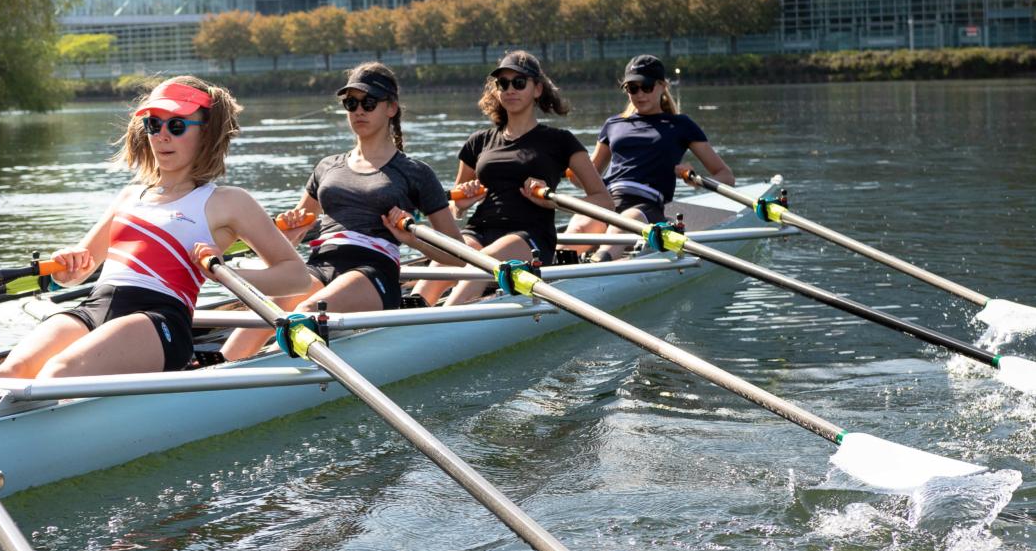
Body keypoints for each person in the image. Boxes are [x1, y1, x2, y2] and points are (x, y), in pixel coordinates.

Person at [0, 77, 309, 379]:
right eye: (154, 124)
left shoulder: (229, 202)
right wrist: (67, 262)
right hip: (96, 306)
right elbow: (75, 274)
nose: (162, 135)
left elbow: (295, 276)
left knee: (58, 373)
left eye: (177, 125)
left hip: (160, 321)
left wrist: (228, 274)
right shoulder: (129, 196)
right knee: (6, 375)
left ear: (206, 131)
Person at [221, 63, 464, 360]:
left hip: (372, 270)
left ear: (391, 108)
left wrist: (411, 240)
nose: (359, 110)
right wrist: (292, 234)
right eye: (351, 103)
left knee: (307, 312)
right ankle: (215, 372)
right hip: (320, 263)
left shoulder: (415, 172)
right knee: (264, 309)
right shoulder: (327, 166)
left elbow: (457, 255)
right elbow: (289, 240)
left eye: (369, 102)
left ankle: (271, 365)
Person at [412, 51, 612, 308]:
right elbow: (453, 207)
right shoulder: (478, 141)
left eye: (519, 83)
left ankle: (442, 323)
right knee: (443, 261)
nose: (510, 89)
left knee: (486, 259)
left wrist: (554, 203)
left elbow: (604, 201)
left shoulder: (560, 141)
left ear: (537, 89)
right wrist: (462, 204)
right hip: (480, 229)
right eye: (503, 84)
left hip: (530, 234)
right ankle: (408, 315)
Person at [564, 54, 734, 256]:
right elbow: (589, 177)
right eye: (632, 88)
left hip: (648, 205)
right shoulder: (613, 124)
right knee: (577, 229)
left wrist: (694, 179)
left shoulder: (681, 125)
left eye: (646, 87)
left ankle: (600, 262)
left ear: (662, 86)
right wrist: (572, 171)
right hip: (608, 199)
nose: (639, 94)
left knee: (619, 229)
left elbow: (726, 176)